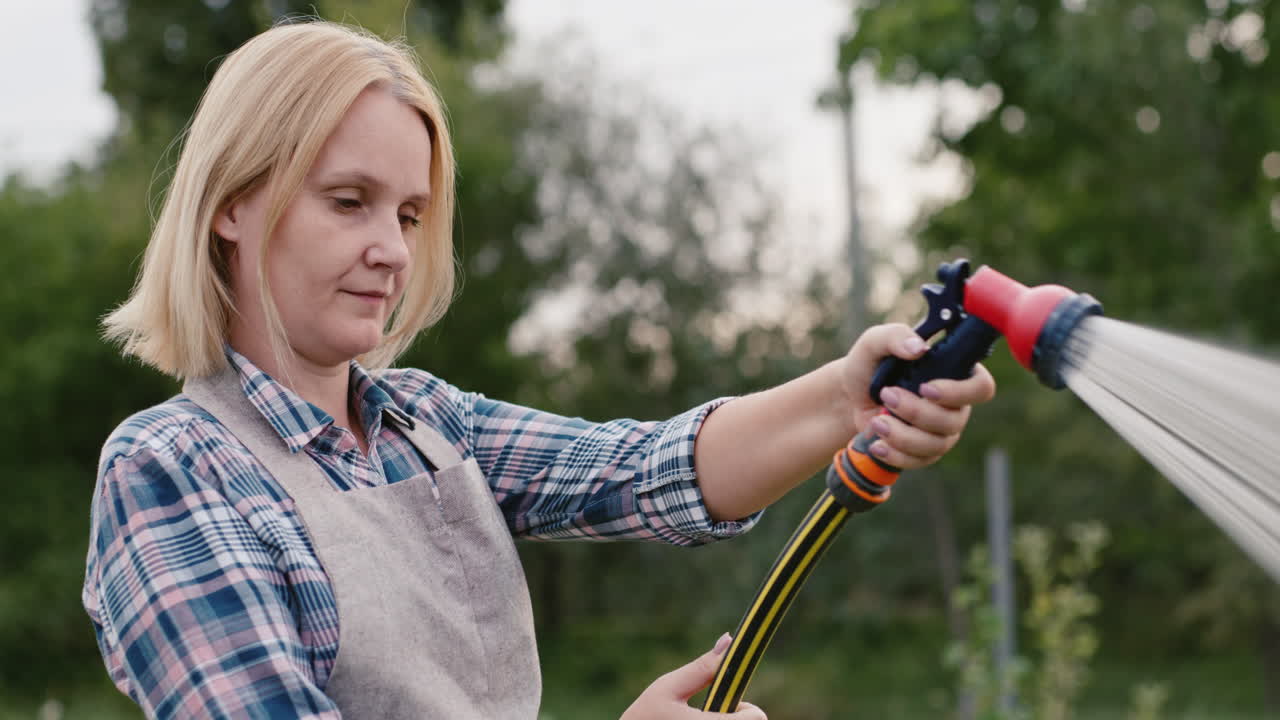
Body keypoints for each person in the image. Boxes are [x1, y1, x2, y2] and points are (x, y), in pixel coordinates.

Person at [82, 19, 995, 720]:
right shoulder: (171, 468)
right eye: (349, 202)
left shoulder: (425, 425)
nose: (391, 250)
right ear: (233, 206)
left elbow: (645, 472)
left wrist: (850, 396)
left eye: (407, 214)